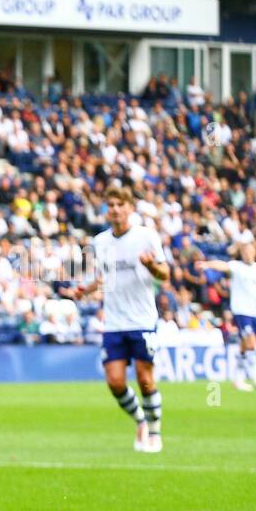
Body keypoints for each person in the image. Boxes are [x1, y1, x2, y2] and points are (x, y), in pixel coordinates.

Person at [62, 186, 170, 452]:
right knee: (115, 381)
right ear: (106, 210)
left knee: (145, 379)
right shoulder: (100, 242)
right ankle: (140, 420)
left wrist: (152, 266)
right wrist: (84, 289)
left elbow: (165, 273)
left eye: (120, 204)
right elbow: (103, 277)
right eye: (110, 205)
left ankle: (155, 433)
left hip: (142, 320)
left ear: (129, 208)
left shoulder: (146, 236)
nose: (115, 209)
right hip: (114, 321)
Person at [197, 237, 256, 390]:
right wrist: (207, 264)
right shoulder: (237, 267)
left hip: (253, 313)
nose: (247, 254)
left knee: (243, 346)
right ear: (241, 253)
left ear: (255, 252)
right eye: (245, 251)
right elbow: (221, 265)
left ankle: (238, 380)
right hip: (241, 311)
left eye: (250, 251)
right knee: (251, 342)